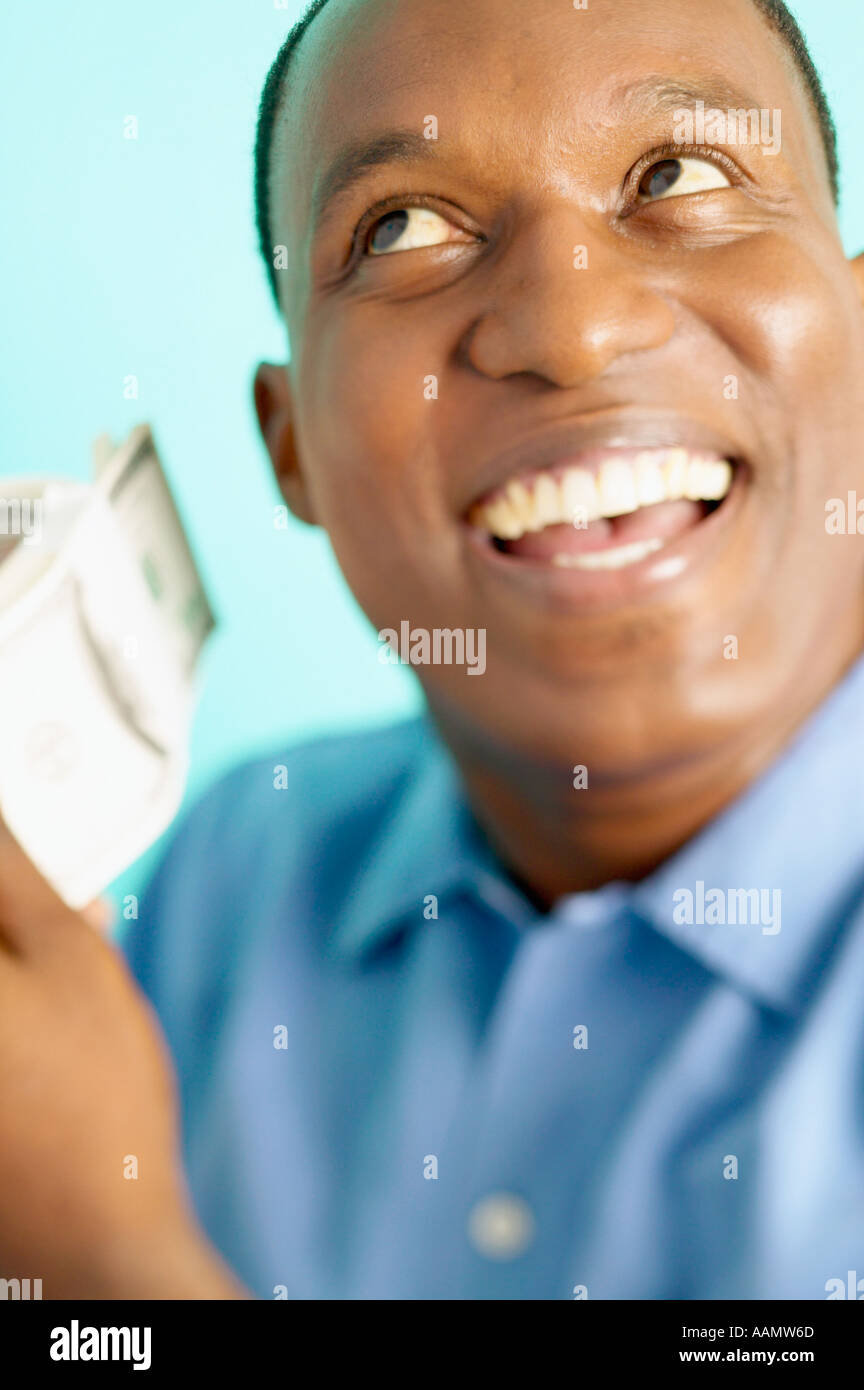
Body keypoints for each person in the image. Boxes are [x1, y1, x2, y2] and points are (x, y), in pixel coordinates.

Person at [2, 0, 864, 1300]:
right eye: (400, 228)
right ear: (290, 450)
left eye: (677, 175)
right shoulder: (230, 878)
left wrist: (108, 1264)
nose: (571, 327)